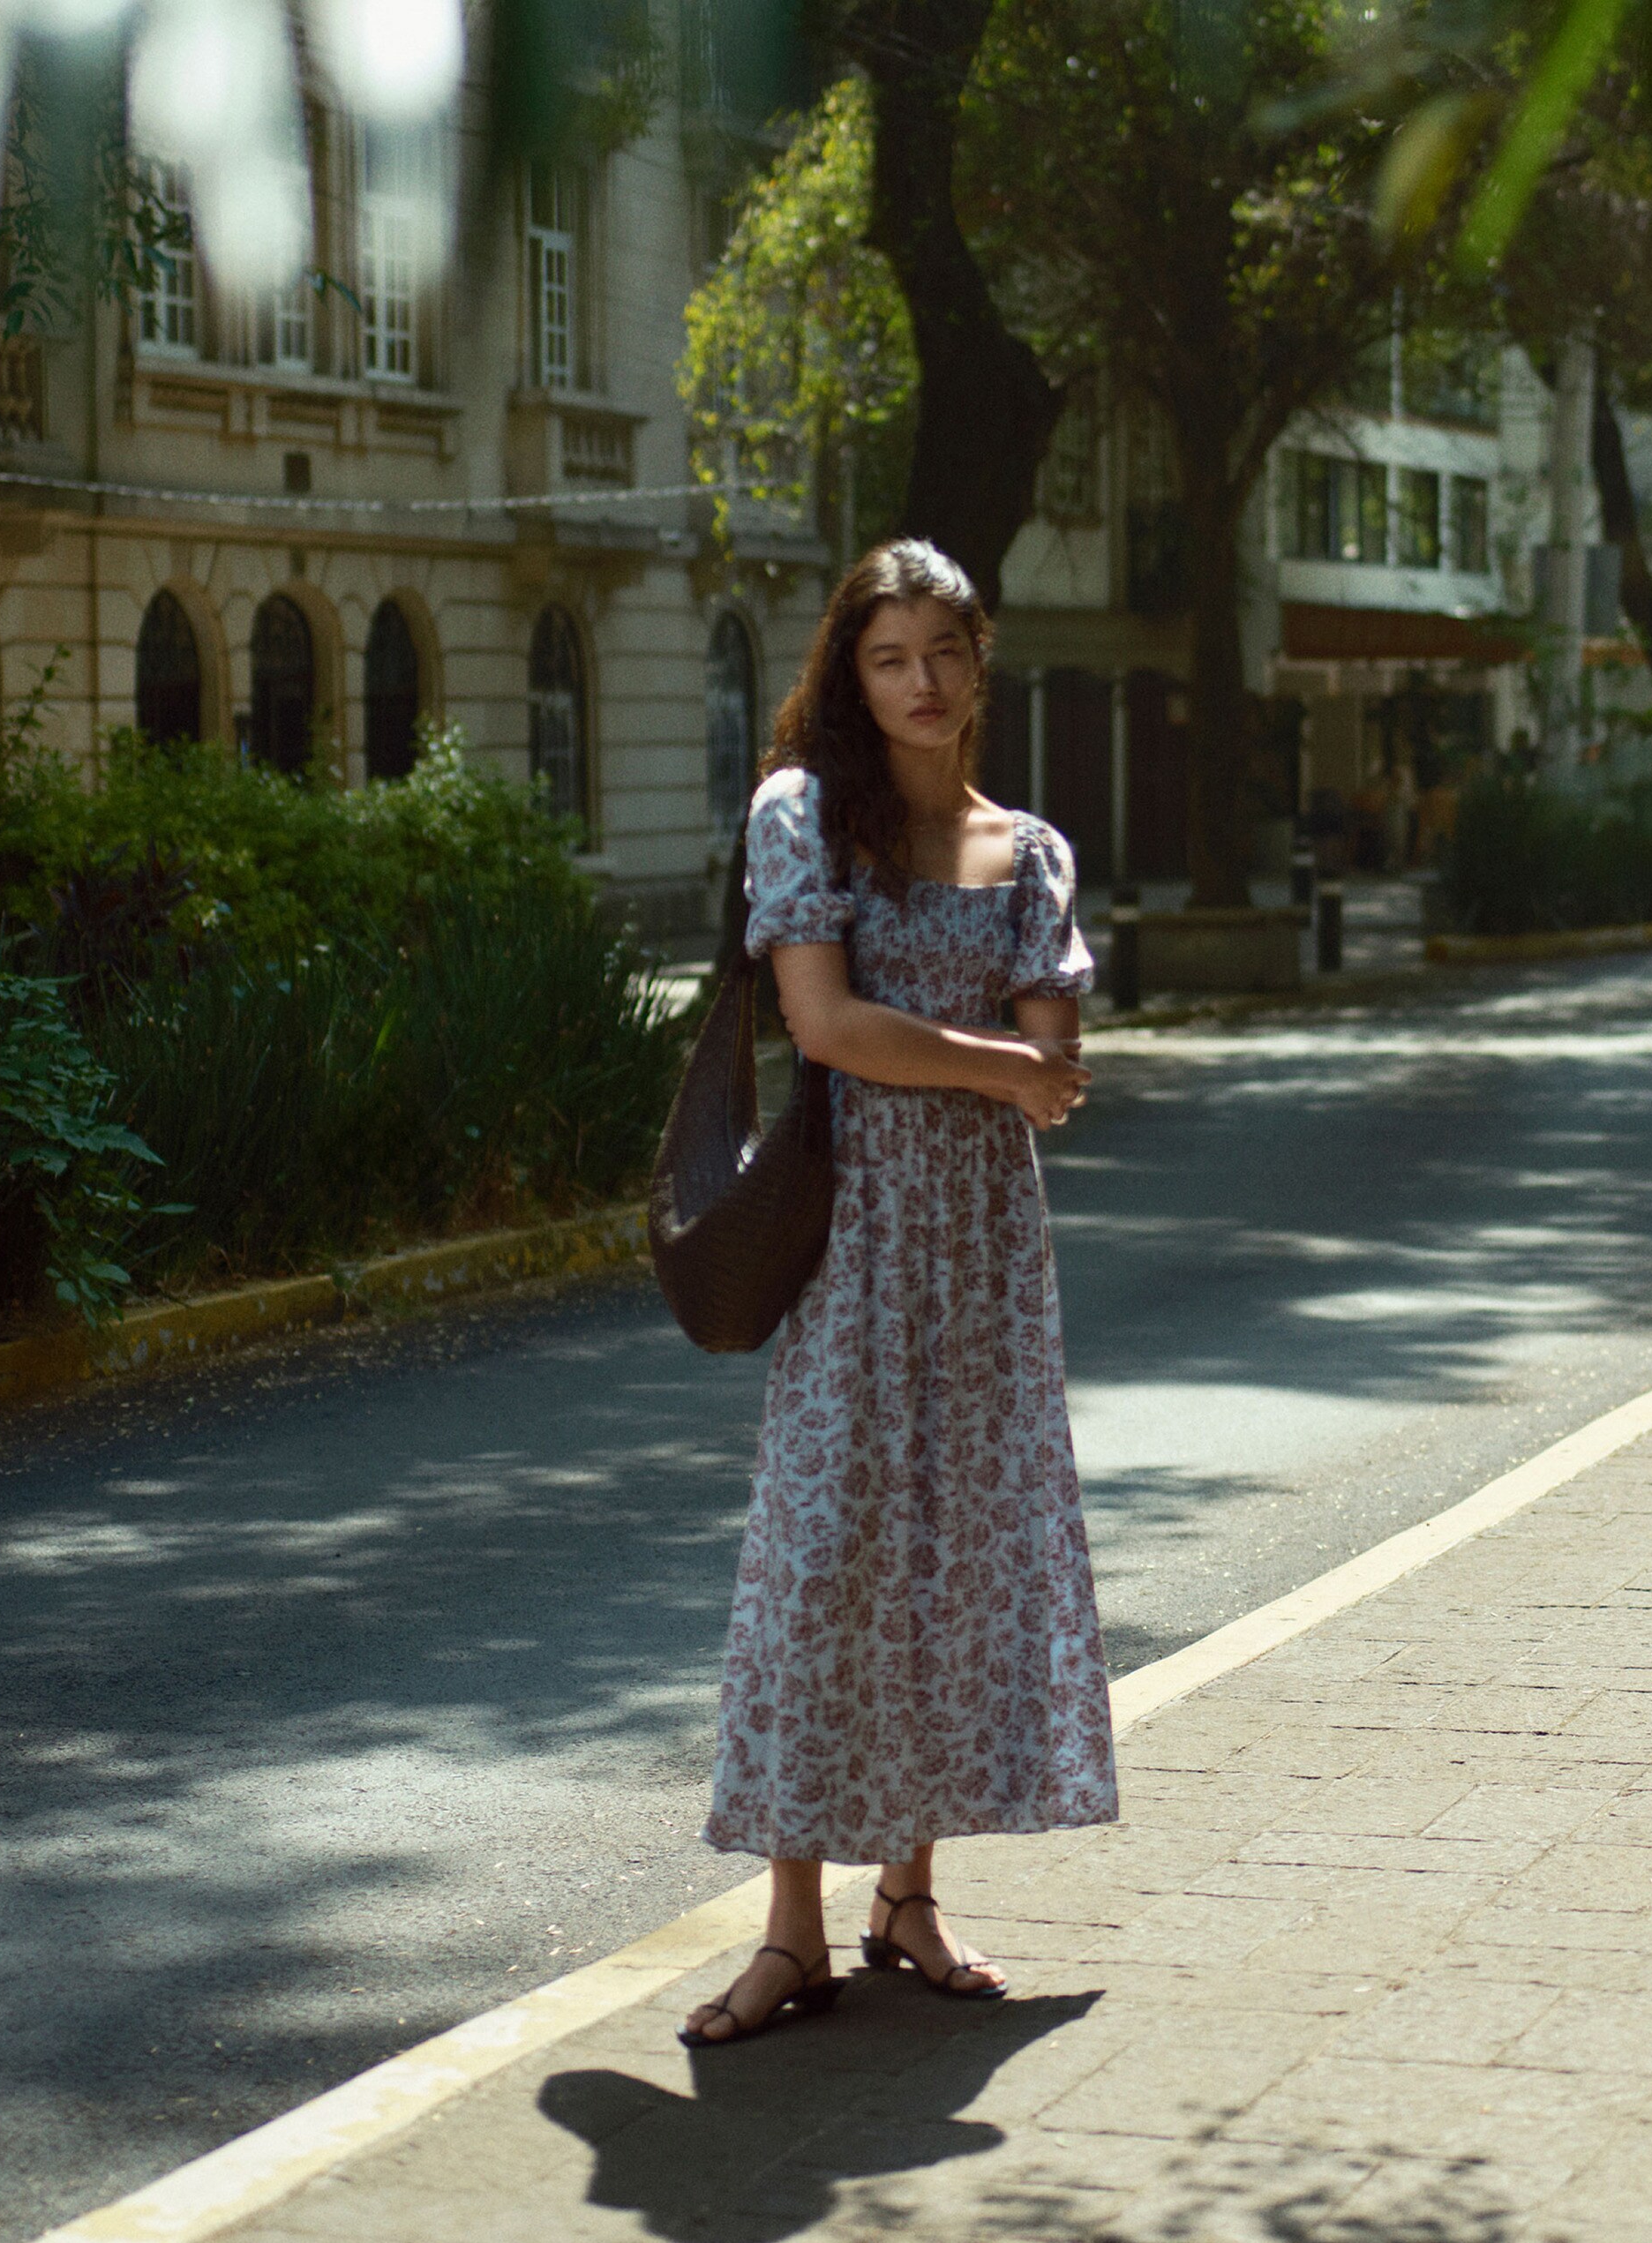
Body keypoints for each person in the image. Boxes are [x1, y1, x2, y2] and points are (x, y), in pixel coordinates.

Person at [680, 539, 1119, 2050]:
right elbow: (833, 1024)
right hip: (853, 1235)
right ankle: (792, 1926)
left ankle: (907, 1897)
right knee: (824, 1561)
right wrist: (994, 1056)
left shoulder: (1033, 850)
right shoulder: (801, 813)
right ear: (847, 673)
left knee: (958, 1563)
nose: (921, 682)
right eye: (889, 656)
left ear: (979, 661)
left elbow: (1053, 1073)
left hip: (989, 1253)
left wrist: (994, 1059)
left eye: (944, 650)